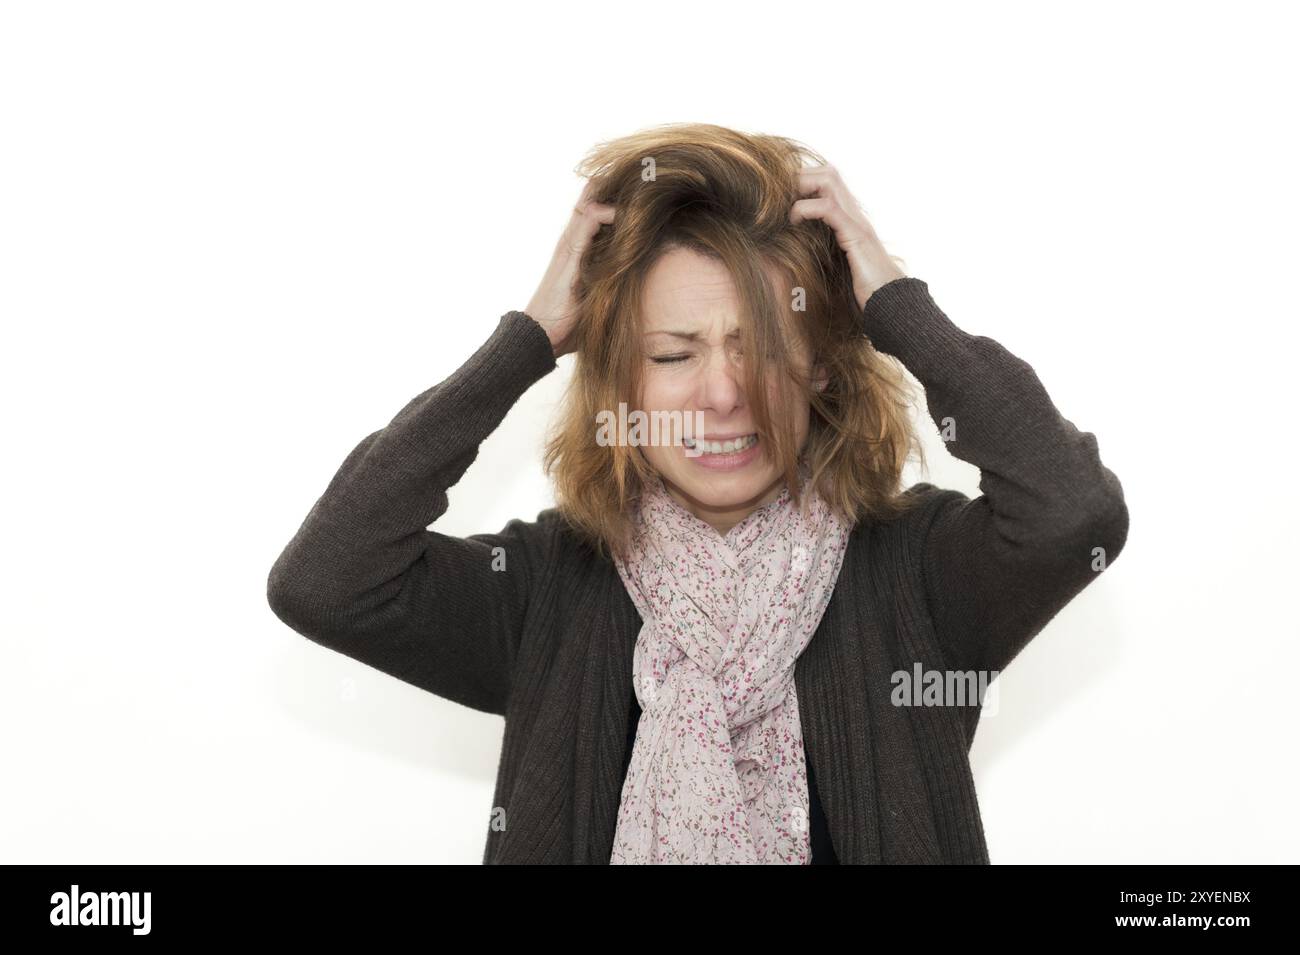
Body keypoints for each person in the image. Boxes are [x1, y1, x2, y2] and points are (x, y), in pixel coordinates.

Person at [266, 122, 1129, 864]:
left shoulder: (921, 573)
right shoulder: (541, 588)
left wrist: (900, 308)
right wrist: (525, 341)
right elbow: (326, 582)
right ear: (619, 385)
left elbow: (1072, 515)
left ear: (822, 366)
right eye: (673, 355)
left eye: (763, 347)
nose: (723, 395)